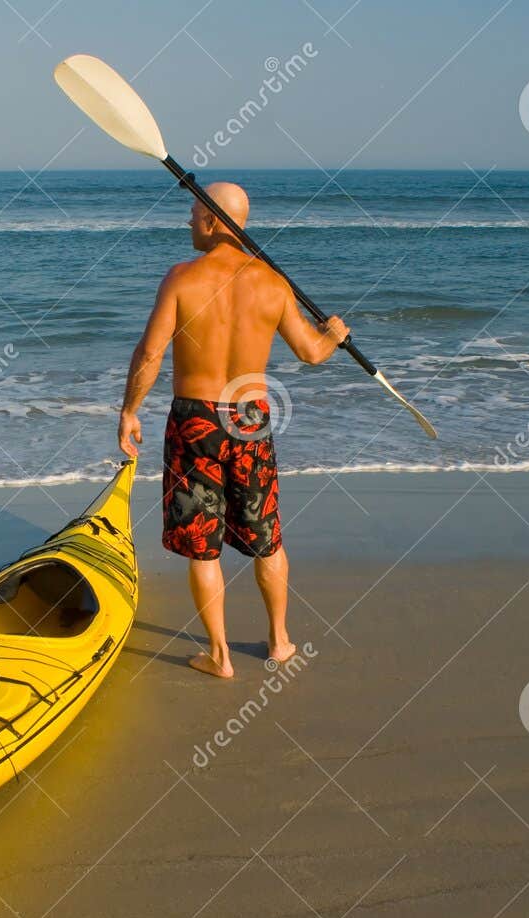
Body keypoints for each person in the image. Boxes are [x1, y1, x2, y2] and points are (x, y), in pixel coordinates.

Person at [117, 181, 348, 679]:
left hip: (195, 421)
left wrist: (129, 410)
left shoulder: (181, 278)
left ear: (212, 220)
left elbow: (151, 354)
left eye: (193, 213)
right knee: (268, 536)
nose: (188, 222)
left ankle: (219, 657)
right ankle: (280, 641)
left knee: (202, 543)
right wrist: (333, 335)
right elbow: (311, 353)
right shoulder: (272, 283)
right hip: (248, 420)